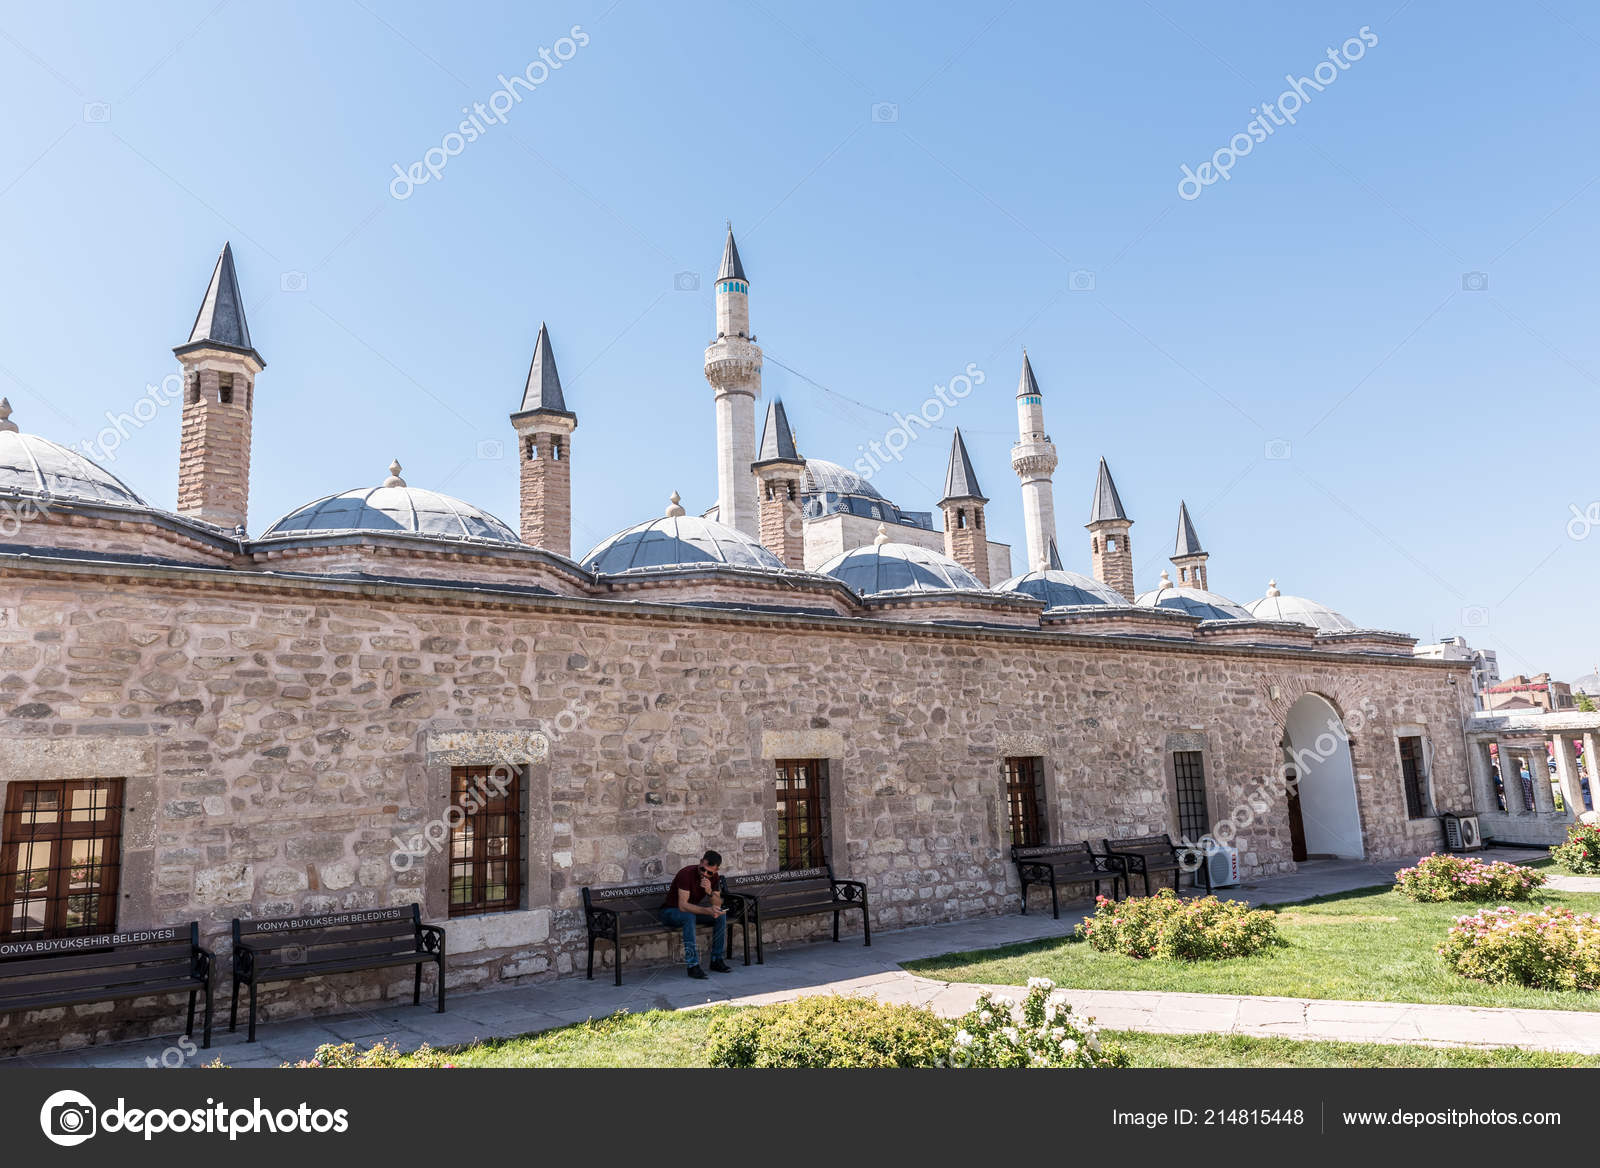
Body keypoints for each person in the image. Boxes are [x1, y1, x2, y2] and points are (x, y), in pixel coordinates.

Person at [660, 849, 732, 979]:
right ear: (700, 863)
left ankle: (716, 960)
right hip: (670, 912)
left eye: (709, 872)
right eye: (702, 869)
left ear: (715, 871)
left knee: (721, 914)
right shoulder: (686, 874)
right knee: (689, 916)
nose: (705, 873)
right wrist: (707, 910)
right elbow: (683, 906)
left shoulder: (714, 877)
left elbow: (717, 903)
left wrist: (709, 891)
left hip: (690, 912)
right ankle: (692, 966)